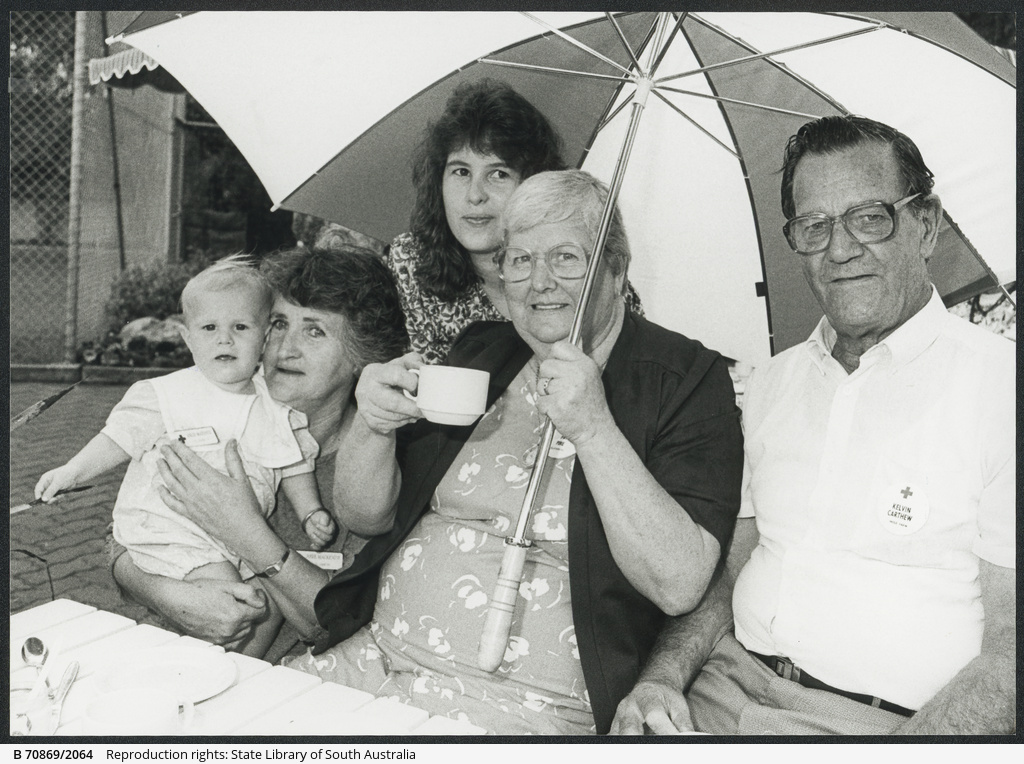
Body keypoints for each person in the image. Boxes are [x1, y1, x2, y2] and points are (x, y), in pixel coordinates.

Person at [284, 169, 743, 735]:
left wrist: (595, 428)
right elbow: (365, 515)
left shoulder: (687, 380)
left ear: (616, 268)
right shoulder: (482, 350)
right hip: (372, 658)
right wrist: (372, 427)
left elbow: (681, 583)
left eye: (567, 258)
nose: (539, 281)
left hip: (526, 708)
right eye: (520, 260)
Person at [611, 115, 1015, 735]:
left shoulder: (1001, 389)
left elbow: (1010, 660)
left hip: (871, 727)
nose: (841, 248)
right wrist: (661, 678)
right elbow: (728, 575)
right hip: (718, 693)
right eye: (815, 226)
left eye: (869, 217)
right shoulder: (772, 385)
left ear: (926, 225)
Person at [109, 245, 409, 656]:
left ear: (364, 356)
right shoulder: (219, 415)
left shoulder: (372, 466)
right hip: (171, 657)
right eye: (279, 323)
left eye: (315, 330)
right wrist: (167, 596)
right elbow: (122, 538)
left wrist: (243, 530)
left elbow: (339, 627)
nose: (284, 347)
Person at [38, 256, 335, 656]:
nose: (225, 340)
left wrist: (310, 510)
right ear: (188, 337)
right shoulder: (167, 394)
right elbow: (118, 439)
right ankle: (208, 667)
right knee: (233, 601)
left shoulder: (275, 408)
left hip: (228, 540)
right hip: (171, 529)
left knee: (255, 606)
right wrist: (72, 471)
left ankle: (222, 670)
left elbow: (293, 462)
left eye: (240, 328)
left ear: (263, 337)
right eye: (210, 328)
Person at [387, 78, 643, 365]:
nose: (475, 196)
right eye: (461, 172)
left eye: (498, 174)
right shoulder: (411, 262)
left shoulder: (586, 262)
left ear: (533, 183)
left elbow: (635, 374)